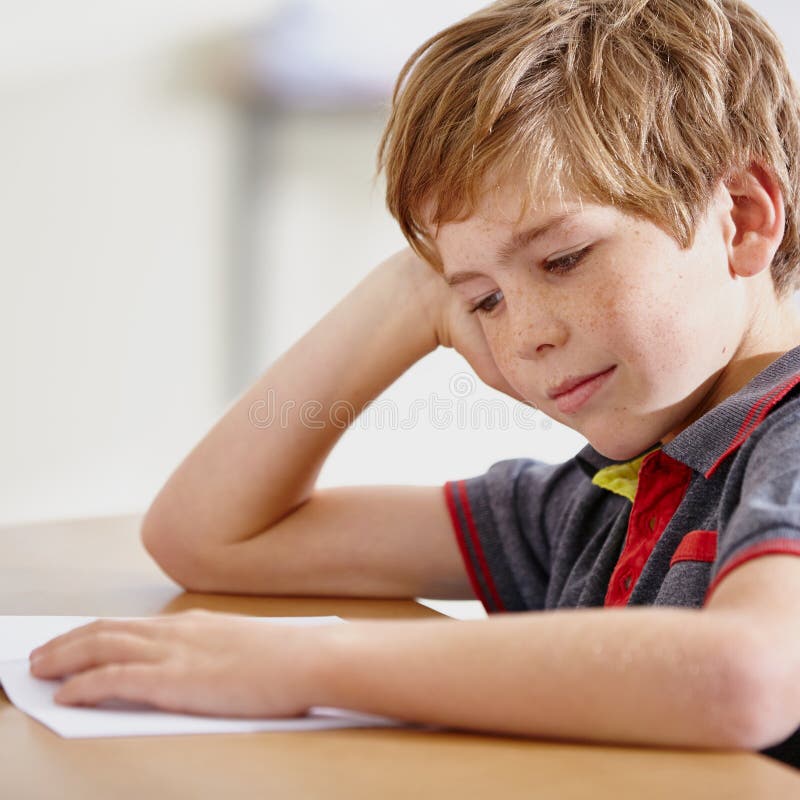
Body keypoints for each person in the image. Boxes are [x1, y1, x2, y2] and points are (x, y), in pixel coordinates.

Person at [29, 0, 800, 767]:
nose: (526, 334)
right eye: (483, 301)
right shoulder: (601, 504)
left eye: (563, 259)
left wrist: (302, 668)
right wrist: (407, 294)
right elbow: (209, 536)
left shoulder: (787, 442)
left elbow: (750, 674)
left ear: (740, 215)